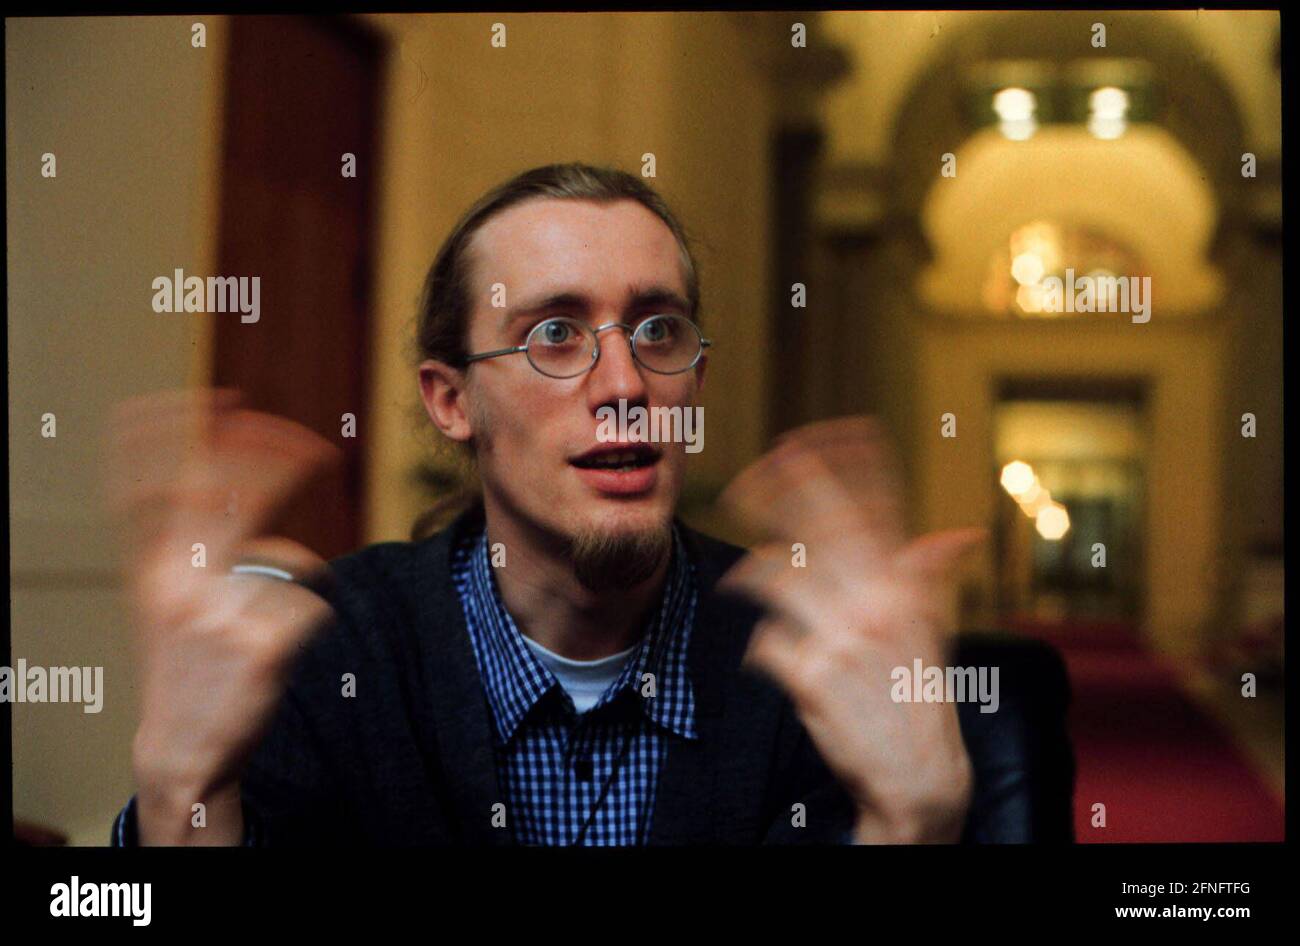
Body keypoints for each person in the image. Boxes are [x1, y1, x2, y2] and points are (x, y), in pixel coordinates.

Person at [108, 163, 987, 847]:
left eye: (658, 331)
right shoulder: (328, 654)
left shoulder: (805, 664)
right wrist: (183, 790)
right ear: (452, 401)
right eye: (554, 334)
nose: (625, 383)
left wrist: (914, 823)